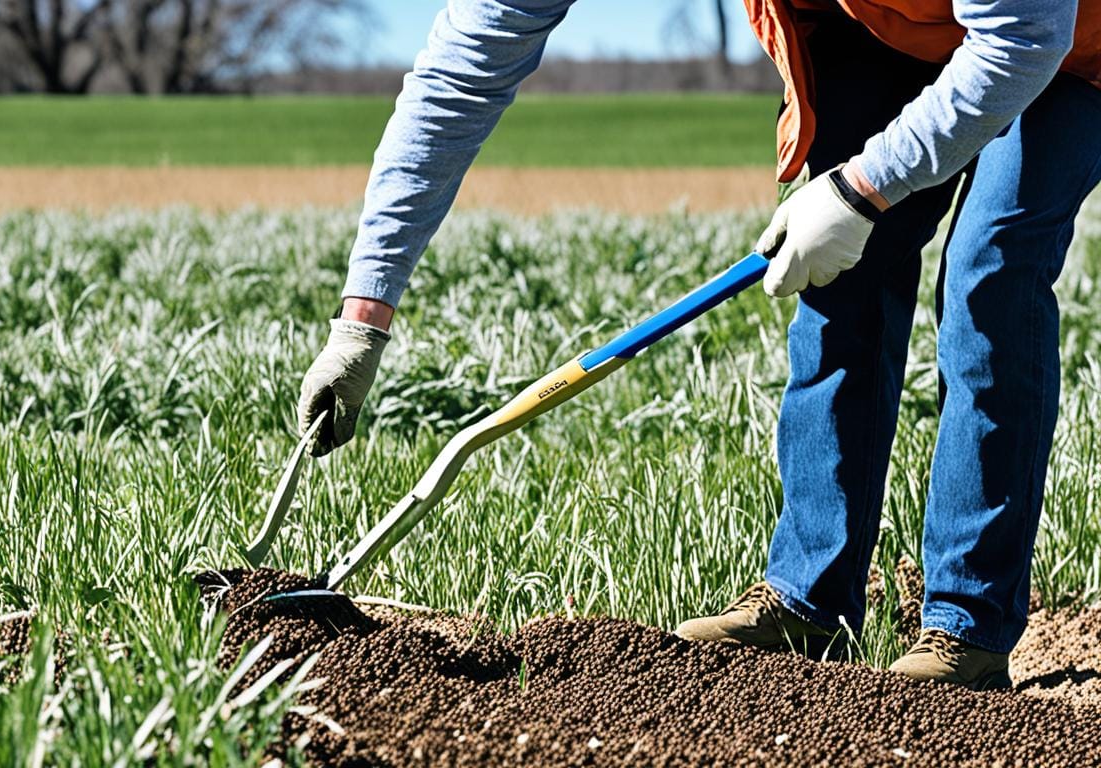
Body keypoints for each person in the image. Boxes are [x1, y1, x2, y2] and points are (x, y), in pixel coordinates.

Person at [296, 0, 1101, 690]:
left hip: (1068, 40)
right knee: (841, 277)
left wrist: (863, 188)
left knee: (988, 268)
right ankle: (808, 602)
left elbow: (1026, 38)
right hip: (885, 27)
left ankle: (969, 623)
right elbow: (458, 76)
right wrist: (362, 321)